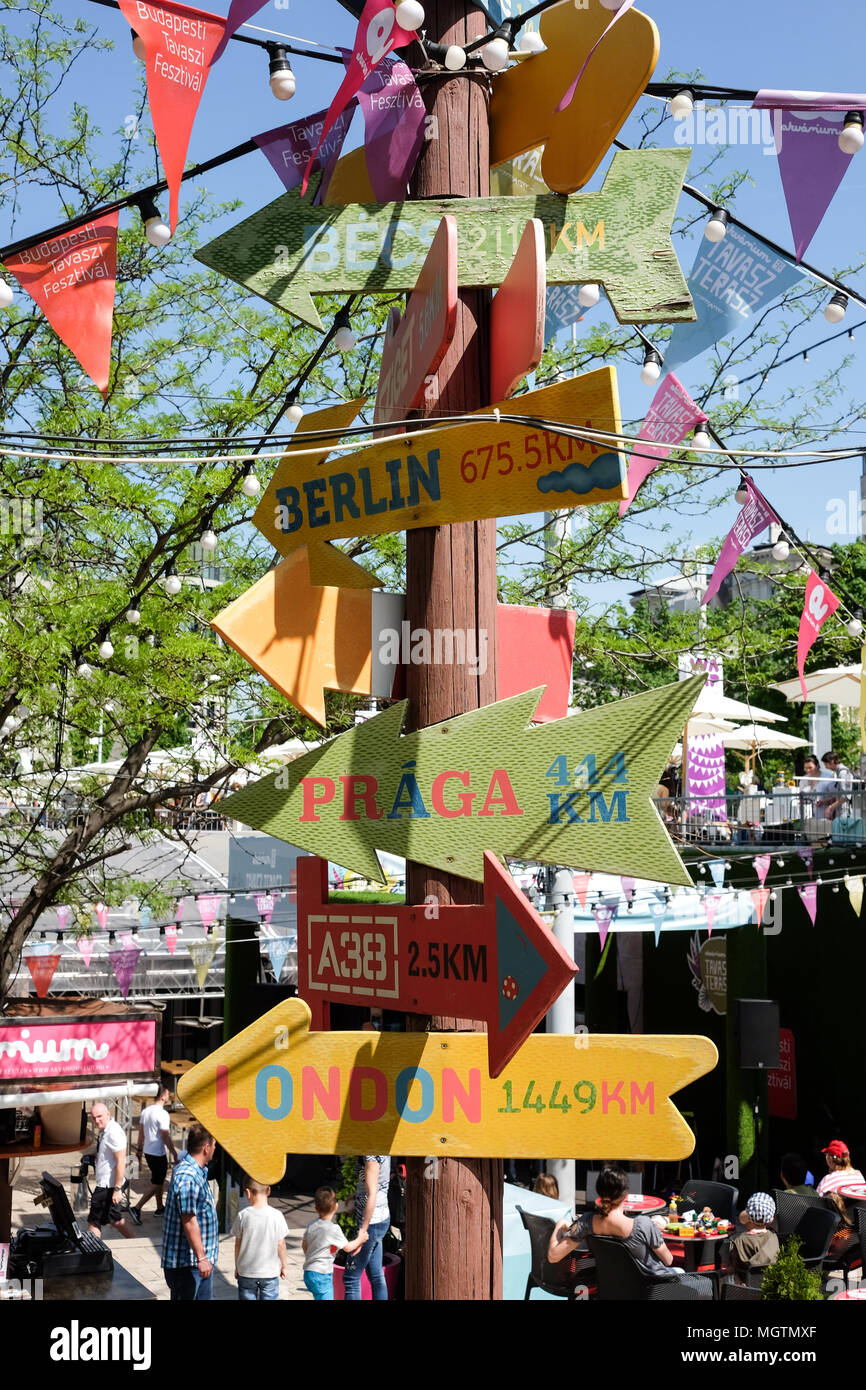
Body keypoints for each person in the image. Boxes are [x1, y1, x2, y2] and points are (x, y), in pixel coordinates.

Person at [547, 1165, 711, 1298]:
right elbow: (668, 1260)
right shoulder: (643, 1224)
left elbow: (553, 1256)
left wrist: (558, 1226)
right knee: (695, 1280)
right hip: (653, 1289)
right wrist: (655, 1232)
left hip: (615, 1290)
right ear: (625, 1194)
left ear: (599, 1192)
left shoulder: (586, 1222)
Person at [161, 1123, 219, 1301]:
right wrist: (202, 1258)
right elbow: (189, 1220)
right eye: (215, 1145)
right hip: (187, 1265)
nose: (215, 1149)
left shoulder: (196, 1172)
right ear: (206, 1148)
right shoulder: (188, 1177)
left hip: (197, 1263)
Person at [302, 1185, 368, 1300]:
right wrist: (360, 1239)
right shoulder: (333, 1229)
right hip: (322, 1274)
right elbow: (348, 1247)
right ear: (336, 1207)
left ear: (316, 1208)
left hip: (308, 1273)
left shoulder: (311, 1224)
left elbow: (304, 1245)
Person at [231, 1177, 290, 1300]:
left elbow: (238, 1244)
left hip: (246, 1271)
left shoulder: (243, 1215)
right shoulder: (277, 1216)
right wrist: (284, 1264)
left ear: (247, 1192)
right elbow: (281, 1244)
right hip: (269, 1272)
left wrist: (237, 1266)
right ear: (268, 1191)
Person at [342, 1155, 391, 1301]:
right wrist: (355, 1196)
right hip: (378, 1219)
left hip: (371, 1223)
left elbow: (372, 1193)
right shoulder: (380, 1150)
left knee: (351, 1278)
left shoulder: (372, 1156)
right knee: (376, 1275)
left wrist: (363, 1231)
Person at [86, 1102, 135, 1240]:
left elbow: (121, 1161)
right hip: (106, 1184)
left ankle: (93, 1252)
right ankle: (135, 1241)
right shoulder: (105, 1131)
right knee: (115, 1219)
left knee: (94, 1221)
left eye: (100, 1116)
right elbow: (106, 1154)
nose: (96, 1120)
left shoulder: (114, 1133)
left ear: (108, 1114)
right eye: (94, 1117)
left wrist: (118, 1189)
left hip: (108, 1185)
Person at [132, 1084, 178, 1222]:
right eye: (168, 1093)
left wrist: (139, 1150)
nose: (169, 1096)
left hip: (148, 1151)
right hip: (158, 1153)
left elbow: (140, 1133)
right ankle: (137, 1208)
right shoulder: (163, 1114)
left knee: (158, 1179)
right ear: (163, 1095)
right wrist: (174, 1153)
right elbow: (165, 1136)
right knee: (158, 1182)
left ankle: (159, 1207)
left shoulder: (146, 1111)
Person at [723, 1193, 779, 1286]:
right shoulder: (774, 1237)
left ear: (748, 1217)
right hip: (768, 1287)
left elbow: (731, 1269)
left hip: (744, 1290)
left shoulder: (739, 1241)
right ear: (771, 1220)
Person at [819, 751, 853, 820]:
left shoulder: (843, 773)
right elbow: (840, 793)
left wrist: (831, 807)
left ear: (831, 761)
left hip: (845, 813)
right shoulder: (839, 772)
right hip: (841, 811)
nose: (825, 767)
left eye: (826, 764)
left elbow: (846, 795)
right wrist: (825, 801)